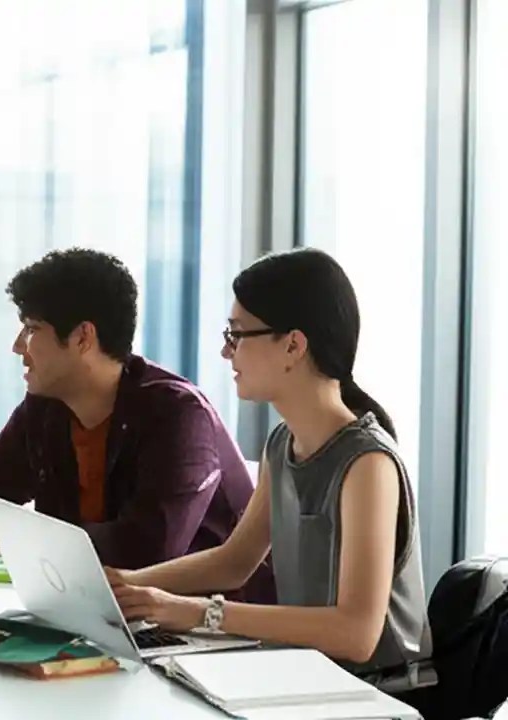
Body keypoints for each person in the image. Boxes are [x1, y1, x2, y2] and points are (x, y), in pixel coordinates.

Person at [105, 248, 431, 690]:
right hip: (308, 680)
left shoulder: (368, 463)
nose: (226, 351)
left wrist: (200, 612)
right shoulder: (282, 444)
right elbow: (233, 562)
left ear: (293, 345)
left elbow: (357, 633)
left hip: (379, 694)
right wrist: (126, 586)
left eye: (237, 334)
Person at [0, 249, 270, 599]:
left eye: (31, 329)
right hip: (93, 607)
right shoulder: (47, 406)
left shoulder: (177, 414)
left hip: (208, 625)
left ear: (82, 337)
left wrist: (0, 532)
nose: (17, 346)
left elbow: (148, 550)